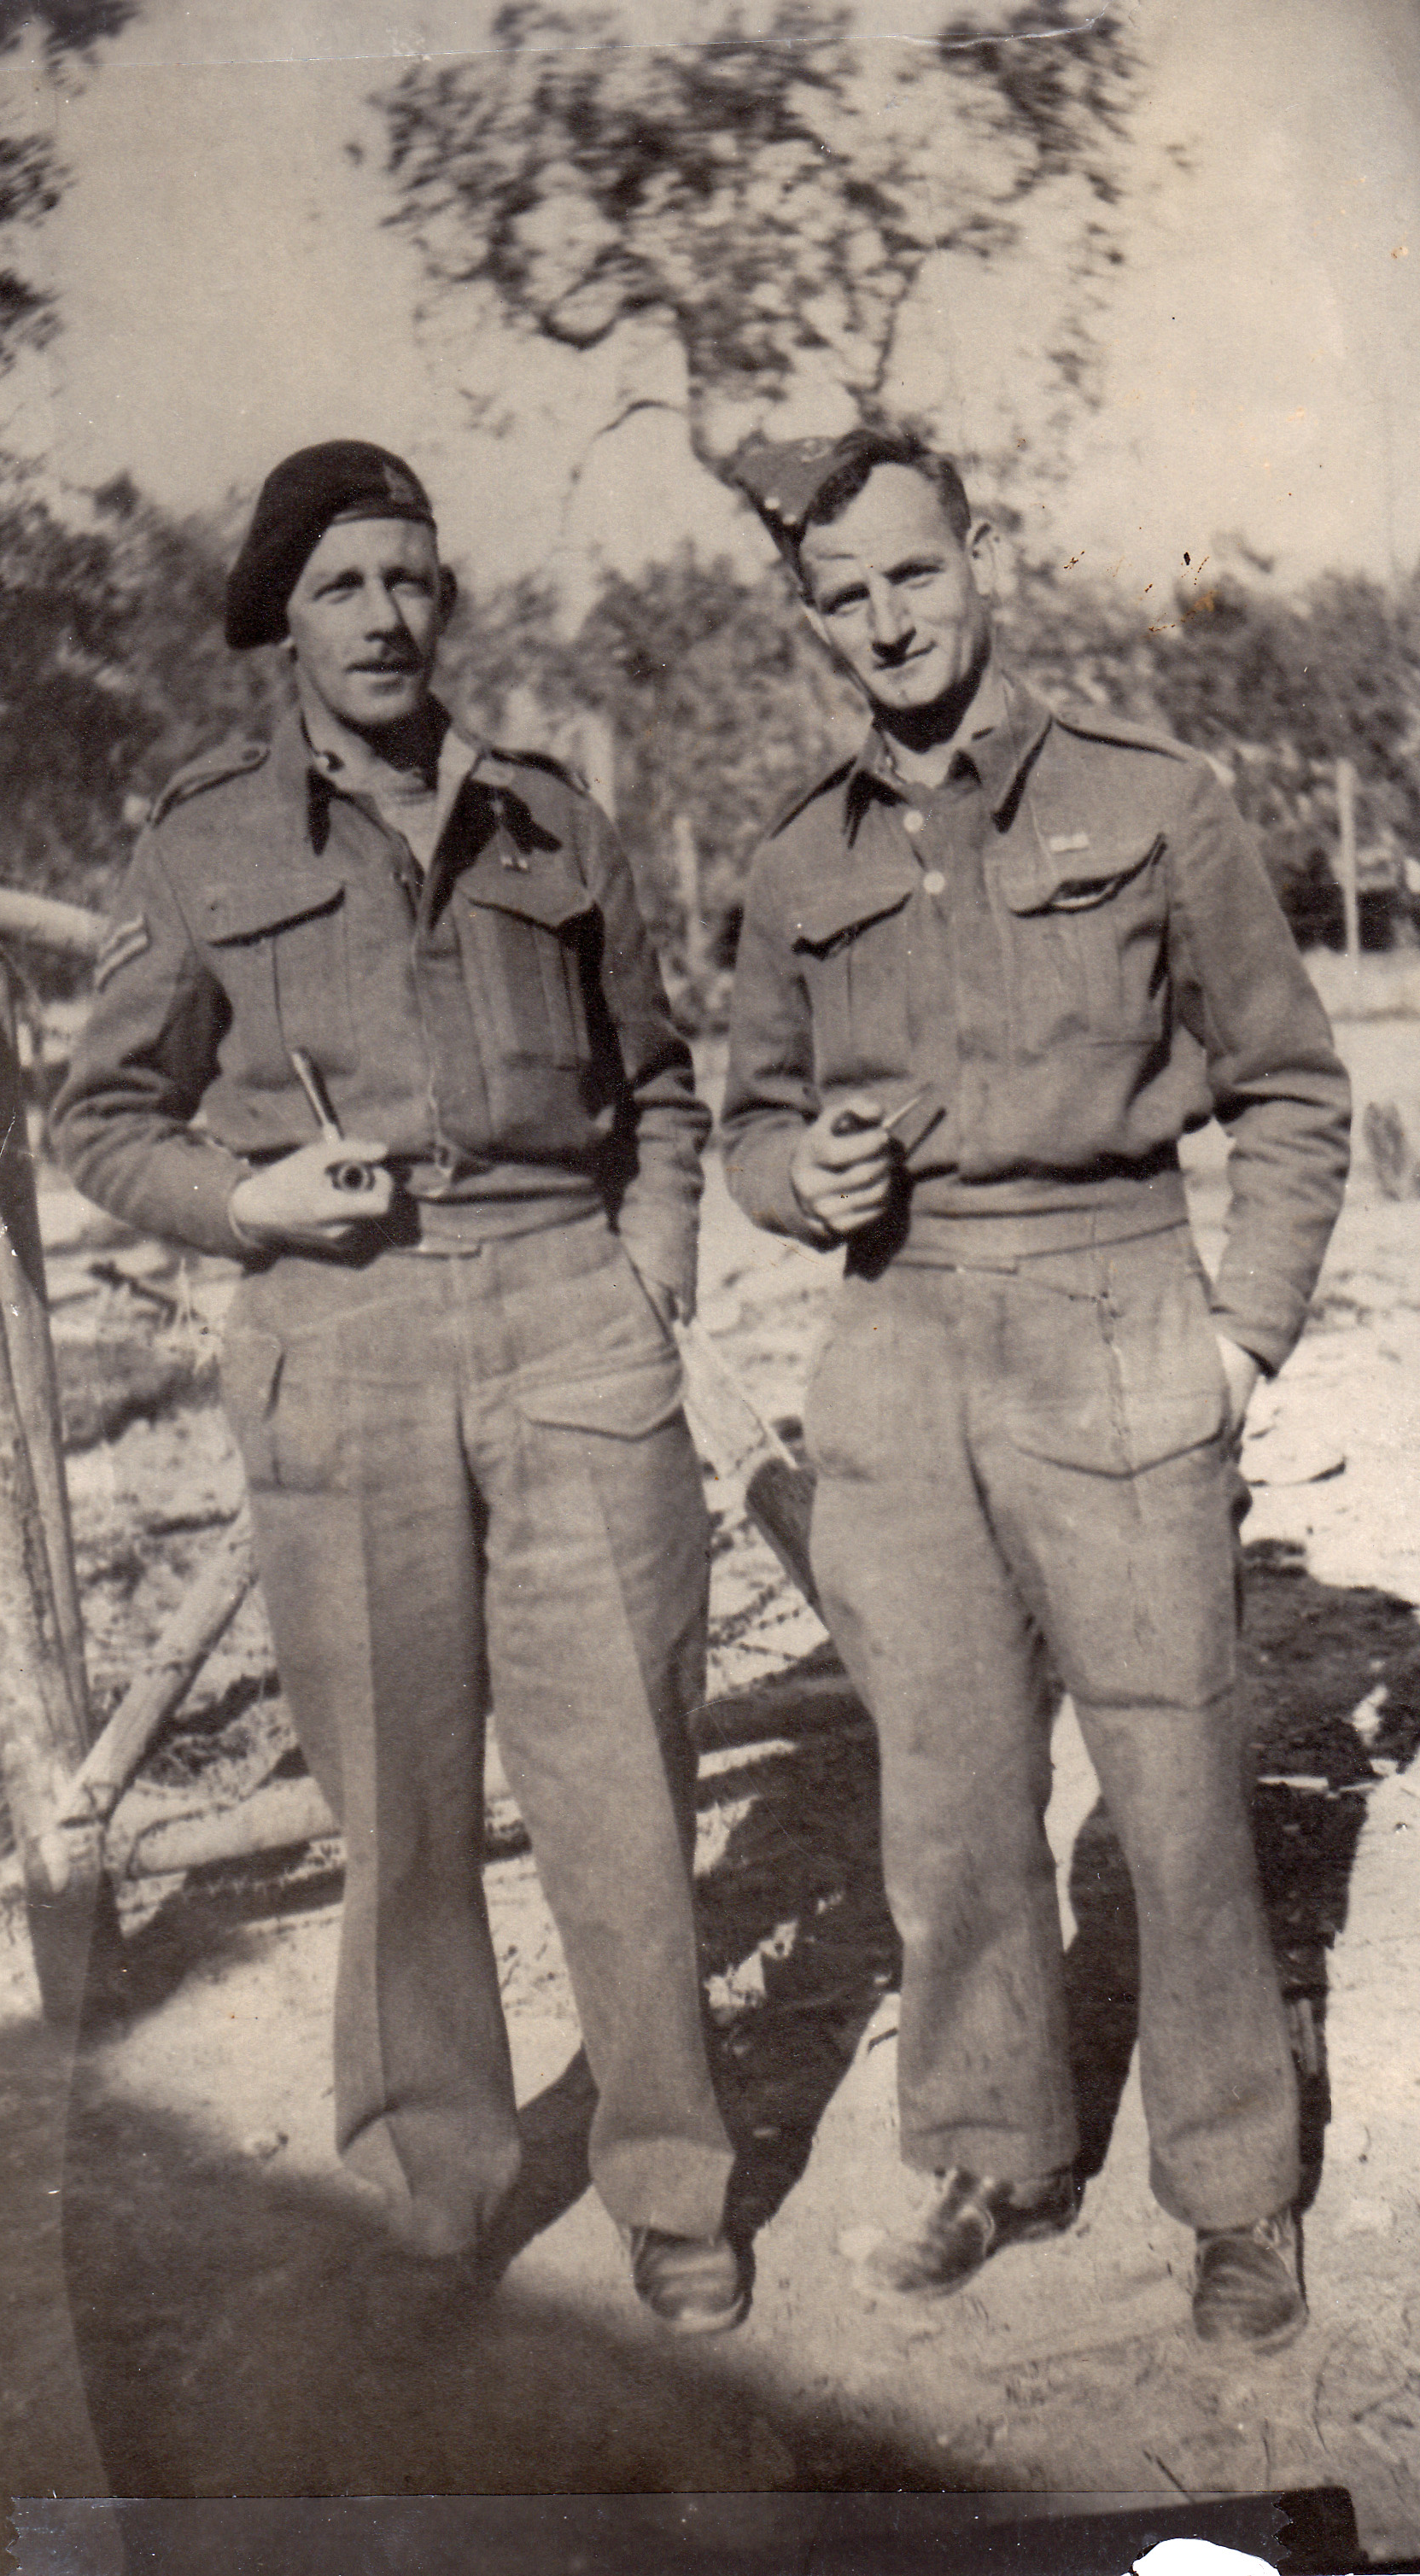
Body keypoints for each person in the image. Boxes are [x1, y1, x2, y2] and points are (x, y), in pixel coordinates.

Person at [51, 441, 745, 2334]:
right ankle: (434, 2196)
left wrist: (655, 1251)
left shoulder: (547, 820)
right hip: (339, 1327)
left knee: (624, 1787)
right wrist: (242, 1199)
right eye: (344, 584)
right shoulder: (200, 843)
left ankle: (672, 2186)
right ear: (282, 614)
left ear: (448, 605)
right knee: (402, 1804)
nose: (382, 616)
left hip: (567, 1314)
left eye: (412, 581)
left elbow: (660, 1080)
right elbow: (99, 1121)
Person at [721, 425, 1350, 2352]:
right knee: (950, 1792)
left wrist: (1239, 1337)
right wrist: (793, 1183)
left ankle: (1237, 2191)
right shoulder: (793, 855)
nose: (889, 620)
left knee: (1173, 1777)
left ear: (979, 556)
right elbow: (749, 1121)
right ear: (815, 620)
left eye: (915, 574)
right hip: (898, 1346)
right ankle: (997, 2146)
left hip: (1113, 1307)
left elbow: (1294, 1090)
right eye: (847, 597)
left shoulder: (1155, 800)